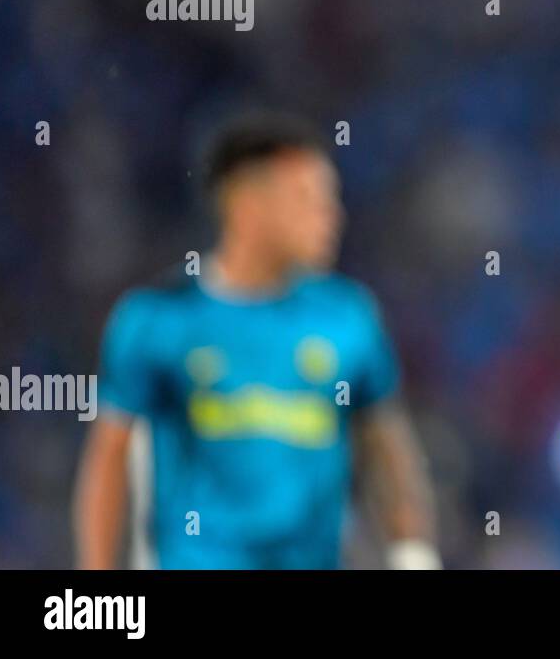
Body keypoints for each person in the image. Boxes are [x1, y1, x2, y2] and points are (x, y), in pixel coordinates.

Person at [73, 112, 441, 569]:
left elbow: (386, 444)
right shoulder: (159, 320)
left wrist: (413, 554)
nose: (332, 217)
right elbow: (109, 459)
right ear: (248, 206)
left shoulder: (348, 318)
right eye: (309, 199)